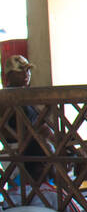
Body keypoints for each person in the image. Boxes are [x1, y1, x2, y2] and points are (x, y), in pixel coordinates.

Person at [1, 54, 51, 186]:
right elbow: (3, 131)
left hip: (33, 146)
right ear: (9, 75)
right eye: (21, 71)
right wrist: (30, 135)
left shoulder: (26, 97)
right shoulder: (5, 99)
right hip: (17, 149)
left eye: (28, 70)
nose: (26, 74)